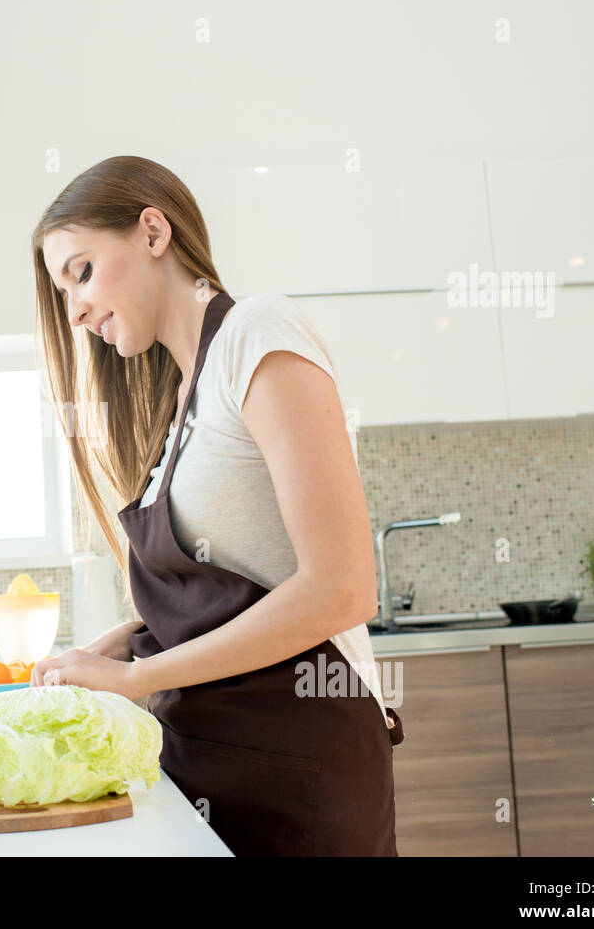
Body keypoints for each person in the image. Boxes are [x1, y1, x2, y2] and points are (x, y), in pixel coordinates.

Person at [28, 155, 403, 856]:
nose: (73, 309)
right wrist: (132, 636)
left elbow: (343, 586)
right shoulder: (178, 406)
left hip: (302, 769)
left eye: (80, 271)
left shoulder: (258, 334)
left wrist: (138, 677)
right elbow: (239, 580)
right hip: (216, 767)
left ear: (151, 231)